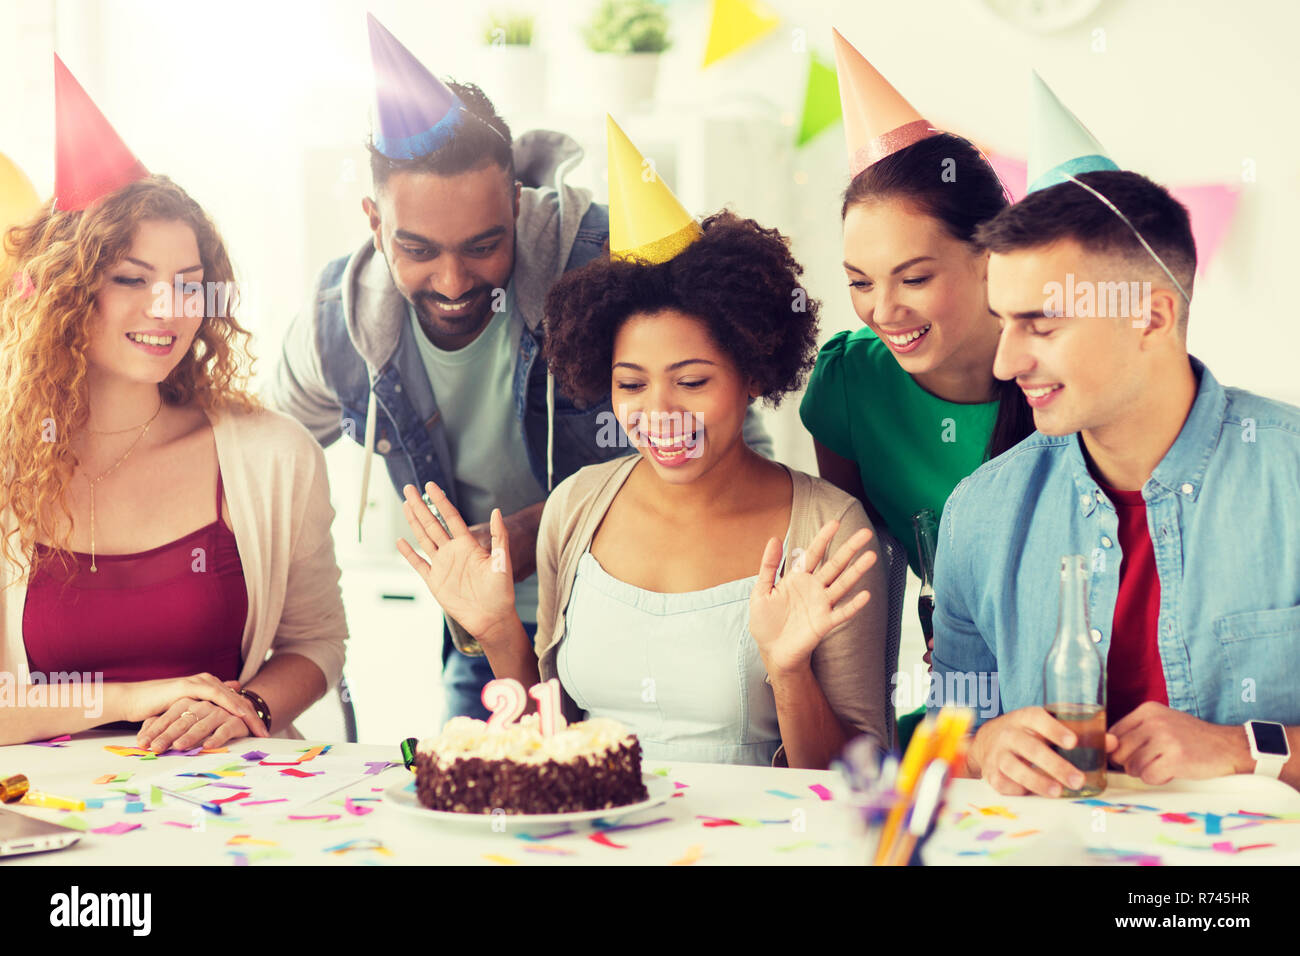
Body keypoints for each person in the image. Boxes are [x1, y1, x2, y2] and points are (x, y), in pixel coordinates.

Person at [270, 16, 772, 723]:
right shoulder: (335, 325)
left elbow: (732, 445)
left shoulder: (610, 266)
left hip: (647, 621)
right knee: (480, 809)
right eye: (417, 249)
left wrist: (533, 536)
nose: (451, 282)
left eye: (483, 246)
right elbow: (258, 471)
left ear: (516, 203)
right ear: (374, 222)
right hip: (482, 638)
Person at [394, 119, 889, 769]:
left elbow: (860, 780)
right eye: (631, 383)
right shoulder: (574, 510)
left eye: (691, 381)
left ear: (752, 372)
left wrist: (789, 671)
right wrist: (497, 634)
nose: (658, 413)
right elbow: (559, 742)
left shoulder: (830, 529)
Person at [930, 76, 1300, 793]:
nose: (1007, 362)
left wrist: (1244, 746)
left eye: (1041, 323)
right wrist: (982, 747)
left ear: (1152, 318)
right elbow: (949, 732)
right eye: (1003, 321)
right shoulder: (979, 513)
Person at [0, 57, 347, 750]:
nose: (169, 309)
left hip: (236, 819)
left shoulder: (274, 457)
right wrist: (138, 698)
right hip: (52, 817)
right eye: (132, 278)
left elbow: (318, 645)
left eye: (190, 283)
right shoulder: (10, 461)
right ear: (64, 294)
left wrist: (244, 704)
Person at [799, 31, 1033, 743]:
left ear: (989, 255)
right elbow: (866, 569)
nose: (883, 311)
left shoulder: (1061, 378)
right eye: (860, 283)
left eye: (915, 277)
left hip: (1076, 700)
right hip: (959, 709)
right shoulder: (849, 383)